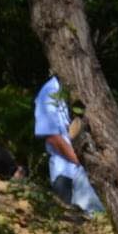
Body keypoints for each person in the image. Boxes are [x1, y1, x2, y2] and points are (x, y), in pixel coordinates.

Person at [32, 75, 106, 214]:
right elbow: (53, 137)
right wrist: (81, 161)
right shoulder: (49, 92)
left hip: (90, 172)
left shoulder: (88, 87)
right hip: (65, 172)